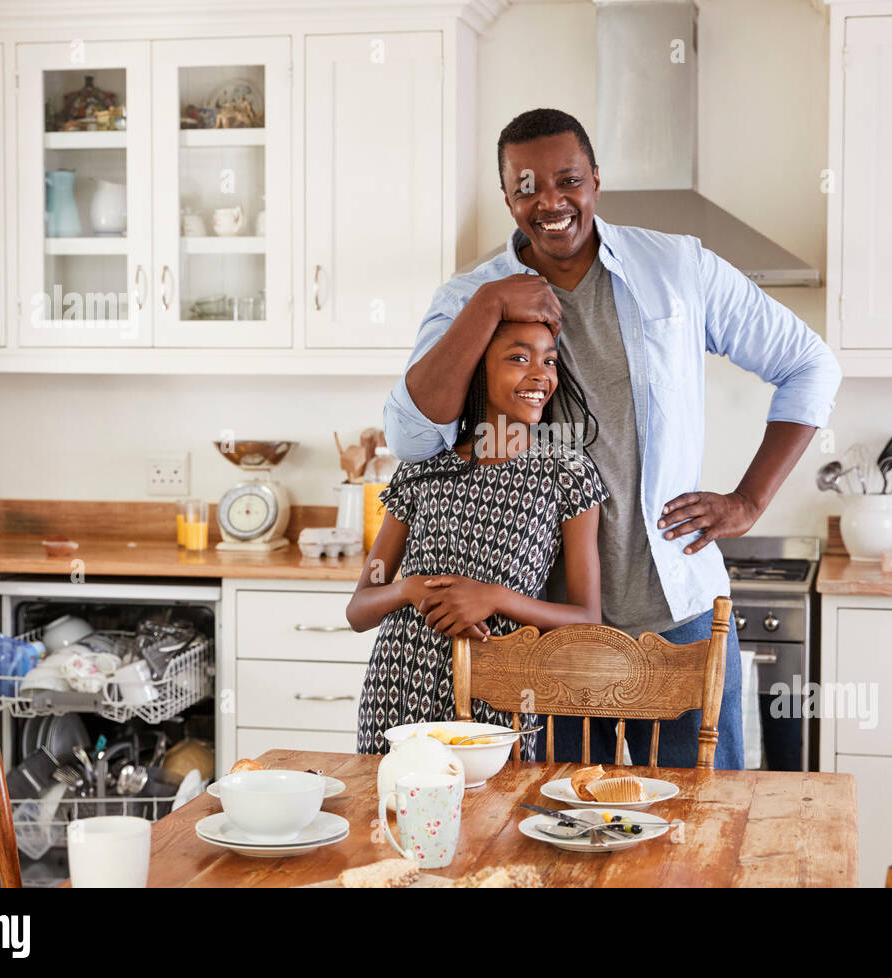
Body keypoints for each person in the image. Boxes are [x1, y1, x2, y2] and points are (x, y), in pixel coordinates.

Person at [383, 108, 842, 770]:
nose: (549, 202)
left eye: (566, 179)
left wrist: (749, 501)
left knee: (702, 832)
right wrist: (487, 306)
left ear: (595, 179)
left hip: (677, 614)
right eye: (526, 186)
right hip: (539, 630)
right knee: (557, 842)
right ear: (507, 196)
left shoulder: (676, 267)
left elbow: (809, 365)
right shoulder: (468, 297)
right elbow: (411, 436)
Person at [348, 319, 608, 759]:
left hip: (504, 697)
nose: (540, 374)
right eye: (518, 357)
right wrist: (409, 589)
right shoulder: (420, 469)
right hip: (399, 688)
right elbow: (359, 610)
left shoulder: (567, 473)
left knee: (498, 825)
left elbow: (587, 620)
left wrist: (493, 597)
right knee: (396, 822)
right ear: (476, 368)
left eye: (549, 360)